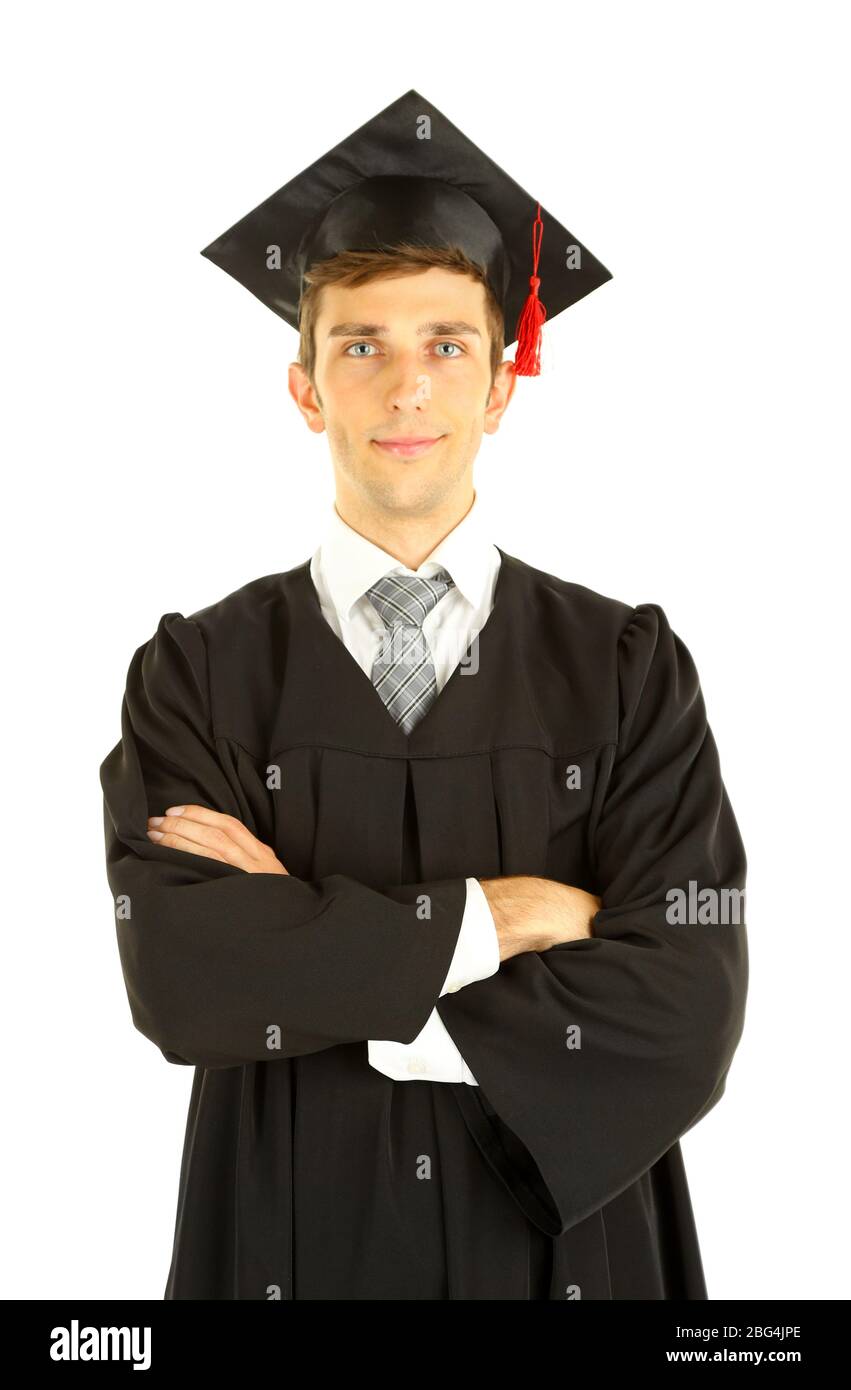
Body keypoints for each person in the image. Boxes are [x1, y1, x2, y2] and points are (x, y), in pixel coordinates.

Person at [99, 89, 748, 1300]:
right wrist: (497, 924)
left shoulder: (625, 667)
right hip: (288, 1246)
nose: (407, 388)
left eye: (447, 345)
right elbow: (186, 976)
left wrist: (314, 945)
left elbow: (685, 997)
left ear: (500, 386)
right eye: (362, 346)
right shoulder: (196, 672)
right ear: (305, 387)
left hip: (570, 1249)